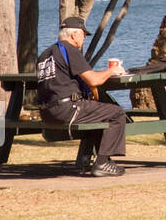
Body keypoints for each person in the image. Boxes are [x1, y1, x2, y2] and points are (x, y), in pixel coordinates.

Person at [35, 16, 127, 176]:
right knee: (117, 113)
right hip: (67, 109)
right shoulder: (70, 50)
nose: (84, 38)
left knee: (99, 112)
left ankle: (90, 159)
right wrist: (112, 70)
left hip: (46, 112)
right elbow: (94, 79)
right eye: (84, 35)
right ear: (74, 34)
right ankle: (103, 163)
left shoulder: (45, 54)